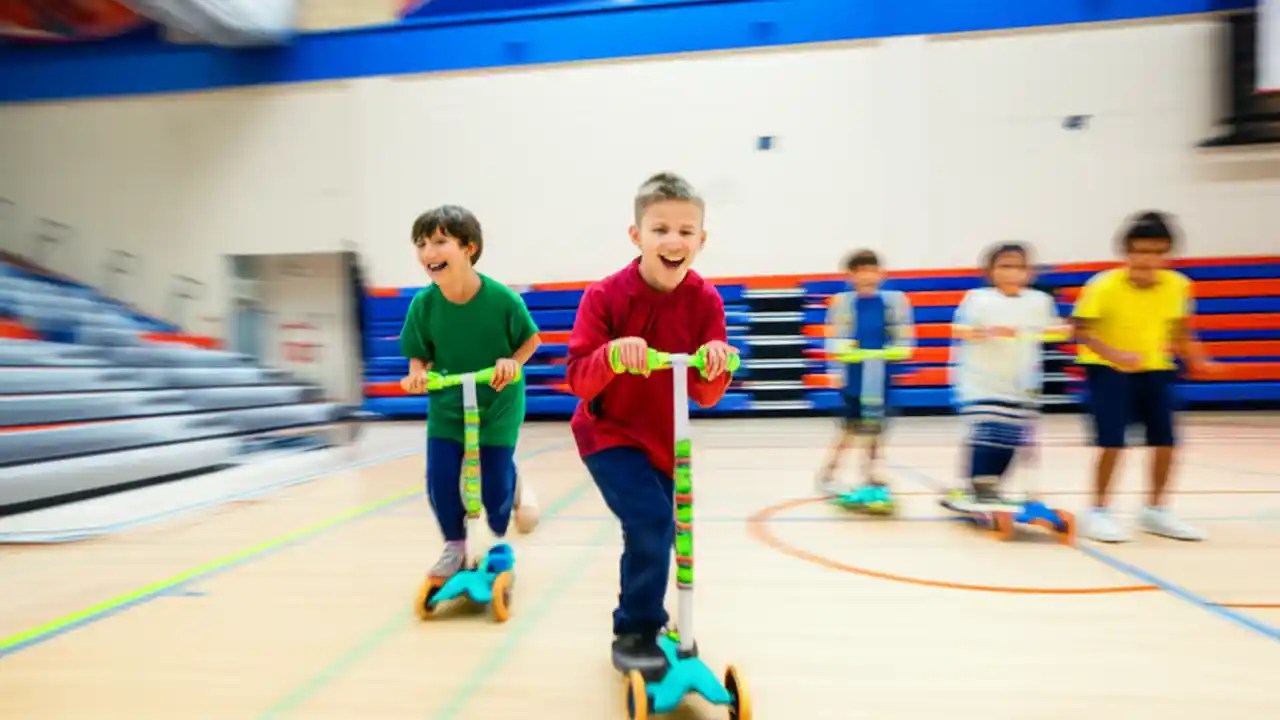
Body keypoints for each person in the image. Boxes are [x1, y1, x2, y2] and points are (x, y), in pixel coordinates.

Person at [565, 172, 737, 678]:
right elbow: (578, 379)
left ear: (701, 241)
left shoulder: (706, 302)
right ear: (636, 235)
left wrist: (715, 361)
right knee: (651, 523)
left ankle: (659, 626)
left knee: (663, 529)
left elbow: (705, 394)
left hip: (666, 440)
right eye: (660, 228)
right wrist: (613, 356)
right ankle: (636, 628)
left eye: (686, 231)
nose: (673, 240)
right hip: (608, 434)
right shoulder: (605, 297)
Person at [398, 204, 543, 585]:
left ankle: (509, 496)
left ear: (469, 248)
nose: (429, 252)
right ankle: (455, 545)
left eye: (440, 242)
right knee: (440, 479)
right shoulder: (423, 305)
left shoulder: (501, 300)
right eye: (422, 244)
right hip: (448, 403)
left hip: (497, 401)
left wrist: (512, 363)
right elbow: (419, 353)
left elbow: (531, 341)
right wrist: (416, 374)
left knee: (495, 495)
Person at [1071, 210, 1219, 542]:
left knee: (1165, 442)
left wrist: (1200, 360)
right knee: (1112, 442)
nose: (1147, 259)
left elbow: (1181, 331)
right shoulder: (1103, 286)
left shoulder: (1178, 286)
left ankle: (1155, 510)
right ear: (1126, 251)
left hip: (1157, 369)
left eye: (1156, 251)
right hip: (1106, 370)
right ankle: (1096, 511)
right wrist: (1115, 355)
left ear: (1167, 253)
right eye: (1140, 250)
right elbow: (1080, 331)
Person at [947, 242, 1069, 504]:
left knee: (1011, 437)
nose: (1011, 273)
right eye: (1004, 266)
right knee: (987, 430)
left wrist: (1029, 332)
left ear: (1029, 272)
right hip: (981, 381)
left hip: (1021, 382)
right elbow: (959, 329)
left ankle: (992, 487)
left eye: (1018, 267)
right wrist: (984, 333)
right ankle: (978, 484)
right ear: (990, 270)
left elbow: (1058, 330)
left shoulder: (1040, 301)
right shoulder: (978, 298)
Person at [815, 249, 915, 511]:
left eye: (872, 270)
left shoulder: (894, 301)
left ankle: (871, 472)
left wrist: (899, 349)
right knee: (849, 428)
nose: (867, 276)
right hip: (854, 375)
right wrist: (837, 365)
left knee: (876, 428)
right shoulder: (843, 303)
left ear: (880, 273)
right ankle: (830, 471)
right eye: (860, 271)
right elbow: (834, 337)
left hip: (880, 373)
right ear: (851, 275)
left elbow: (904, 335)